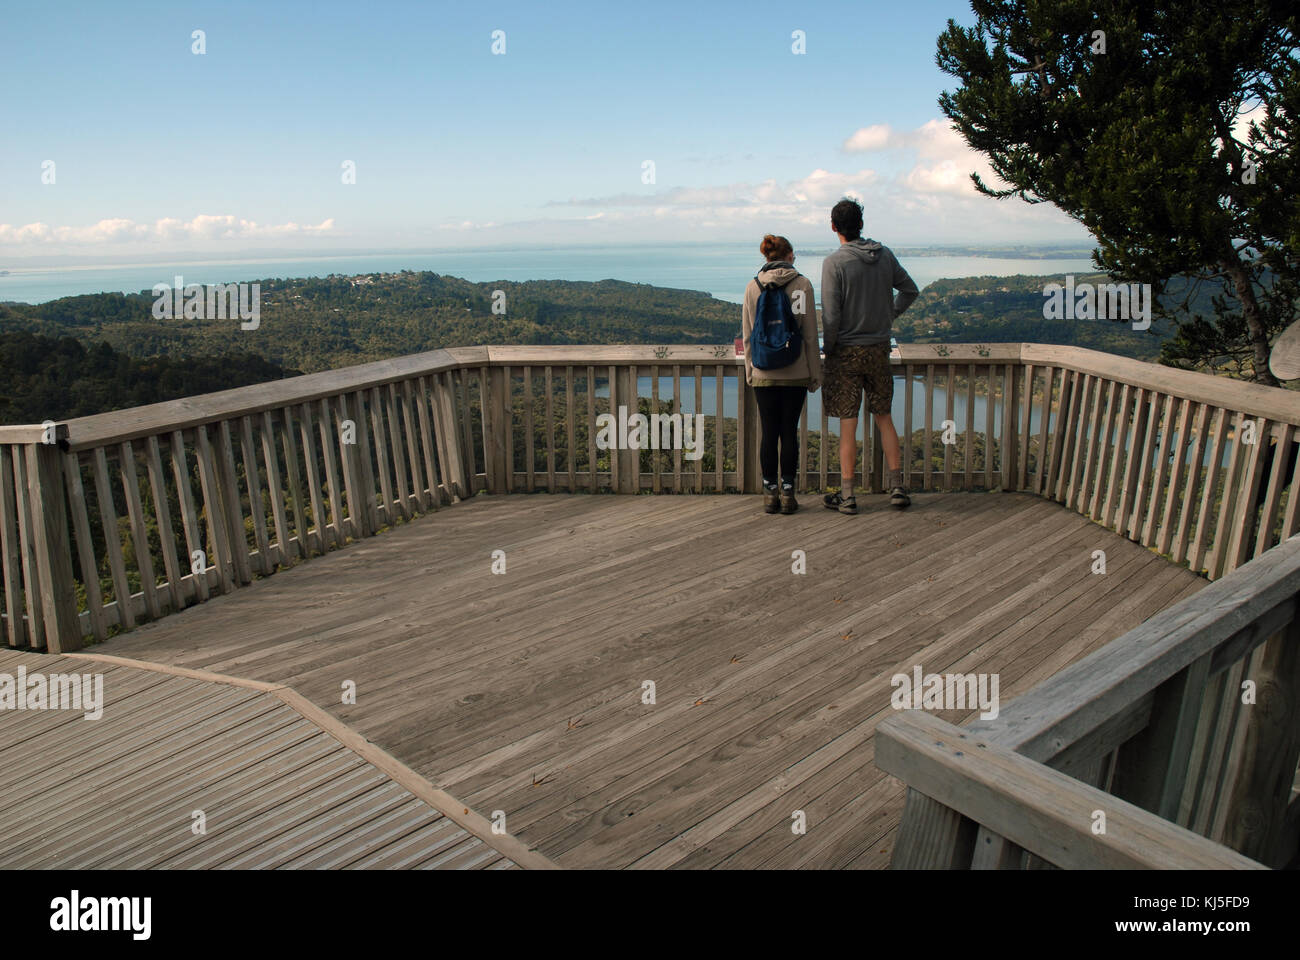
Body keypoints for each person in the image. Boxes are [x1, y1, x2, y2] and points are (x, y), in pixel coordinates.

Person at [819, 198, 918, 514]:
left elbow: (831, 317)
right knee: (884, 417)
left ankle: (848, 496)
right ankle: (898, 487)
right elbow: (910, 290)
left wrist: (829, 348)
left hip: (846, 352)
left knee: (848, 424)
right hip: (878, 350)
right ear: (860, 224)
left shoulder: (835, 263)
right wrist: (888, 316)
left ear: (834, 227)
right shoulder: (884, 255)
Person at [741, 234, 822, 514]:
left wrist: (750, 371)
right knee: (789, 432)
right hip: (796, 371)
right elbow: (810, 335)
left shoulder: (753, 287)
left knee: (769, 432)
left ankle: (769, 493)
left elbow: (748, 336)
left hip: (763, 372)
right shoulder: (802, 285)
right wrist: (815, 374)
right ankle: (788, 492)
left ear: (767, 257)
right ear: (789, 256)